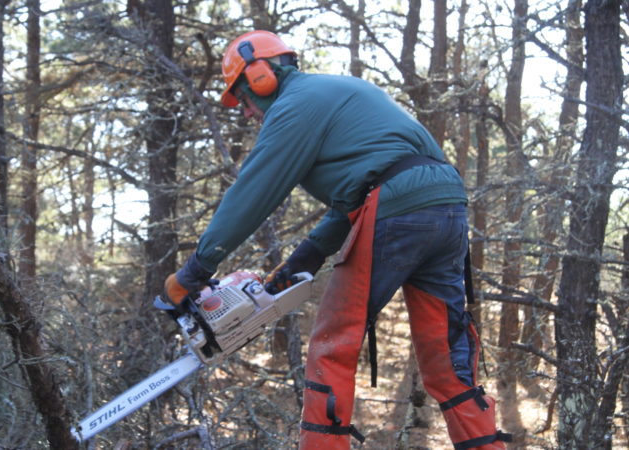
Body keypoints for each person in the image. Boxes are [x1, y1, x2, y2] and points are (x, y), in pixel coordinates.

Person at [163, 30, 510, 450]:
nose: (248, 112)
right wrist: (305, 257)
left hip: (396, 208)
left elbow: (252, 193)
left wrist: (194, 271)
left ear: (260, 76)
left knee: (332, 346)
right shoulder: (337, 91)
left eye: (244, 98)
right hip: (447, 208)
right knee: (446, 355)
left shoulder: (294, 106)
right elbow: (367, 187)